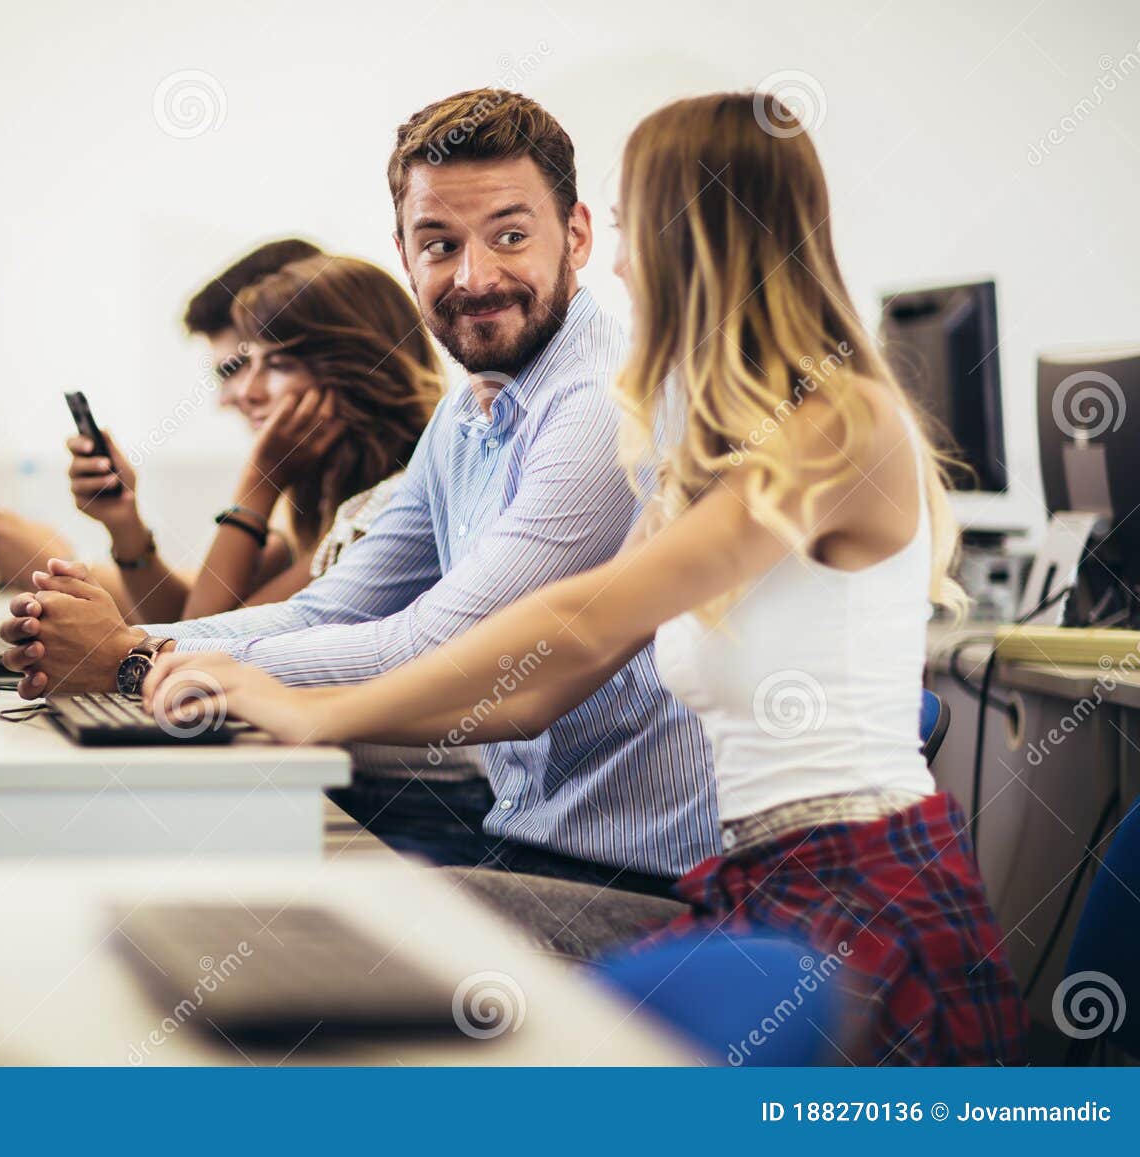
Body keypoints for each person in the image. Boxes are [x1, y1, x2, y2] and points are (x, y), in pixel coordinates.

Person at [142, 92, 1030, 1065]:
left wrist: (317, 713)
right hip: (746, 889)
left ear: (698, 233)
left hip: (858, 910)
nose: (614, 259)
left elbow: (578, 616)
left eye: (628, 224)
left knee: (369, 933)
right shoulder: (701, 448)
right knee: (339, 925)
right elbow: (546, 673)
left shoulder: (837, 423)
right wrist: (293, 699)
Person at [0, 89, 719, 917]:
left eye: (510, 236)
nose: (475, 275)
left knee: (262, 919)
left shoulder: (599, 407)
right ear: (406, 255)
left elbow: (437, 644)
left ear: (579, 236)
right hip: (526, 837)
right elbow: (324, 613)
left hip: (636, 878)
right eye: (439, 244)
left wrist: (134, 661)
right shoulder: (469, 410)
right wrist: (130, 644)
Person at [62, 254, 445, 624]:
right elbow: (185, 626)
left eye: (274, 364)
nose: (244, 392)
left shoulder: (385, 507)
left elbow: (199, 641)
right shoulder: (322, 496)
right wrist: (125, 526)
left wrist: (260, 479)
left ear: (357, 370)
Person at [0, 237, 321, 593]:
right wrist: (125, 527)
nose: (235, 397)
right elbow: (205, 608)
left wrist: (51, 566)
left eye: (236, 367)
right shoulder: (302, 491)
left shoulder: (347, 506)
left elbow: (197, 622)